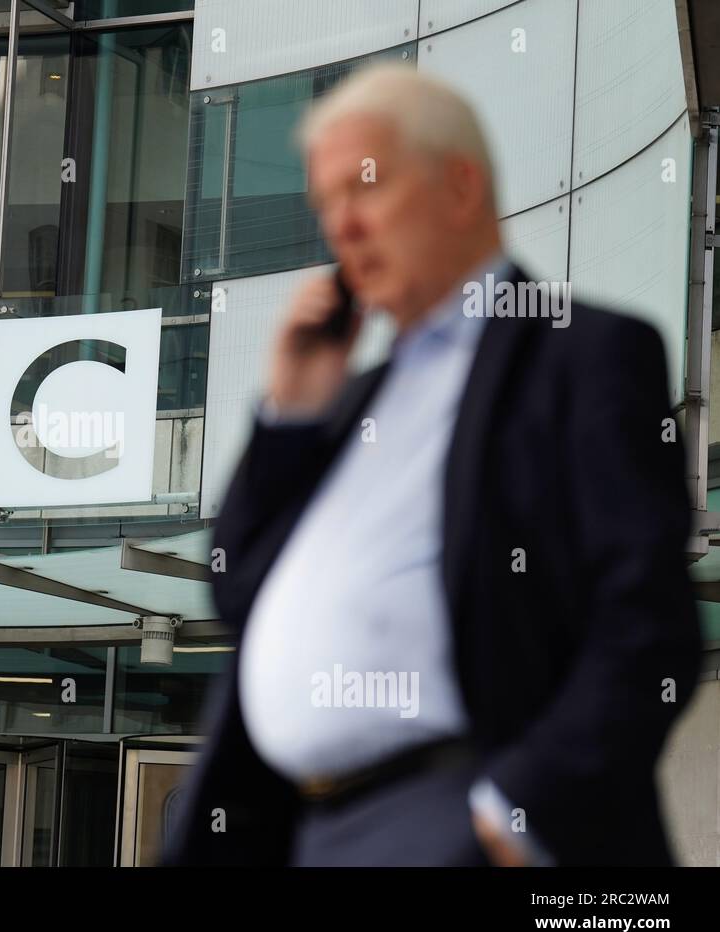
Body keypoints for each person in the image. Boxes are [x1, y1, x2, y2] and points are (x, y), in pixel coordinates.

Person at [164, 64, 702, 866]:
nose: (340, 226)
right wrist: (289, 415)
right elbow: (235, 586)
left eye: (365, 187)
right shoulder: (353, 400)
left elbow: (646, 622)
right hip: (305, 831)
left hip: (457, 820)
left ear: (460, 187)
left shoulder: (581, 355)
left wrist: (514, 813)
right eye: (325, 203)